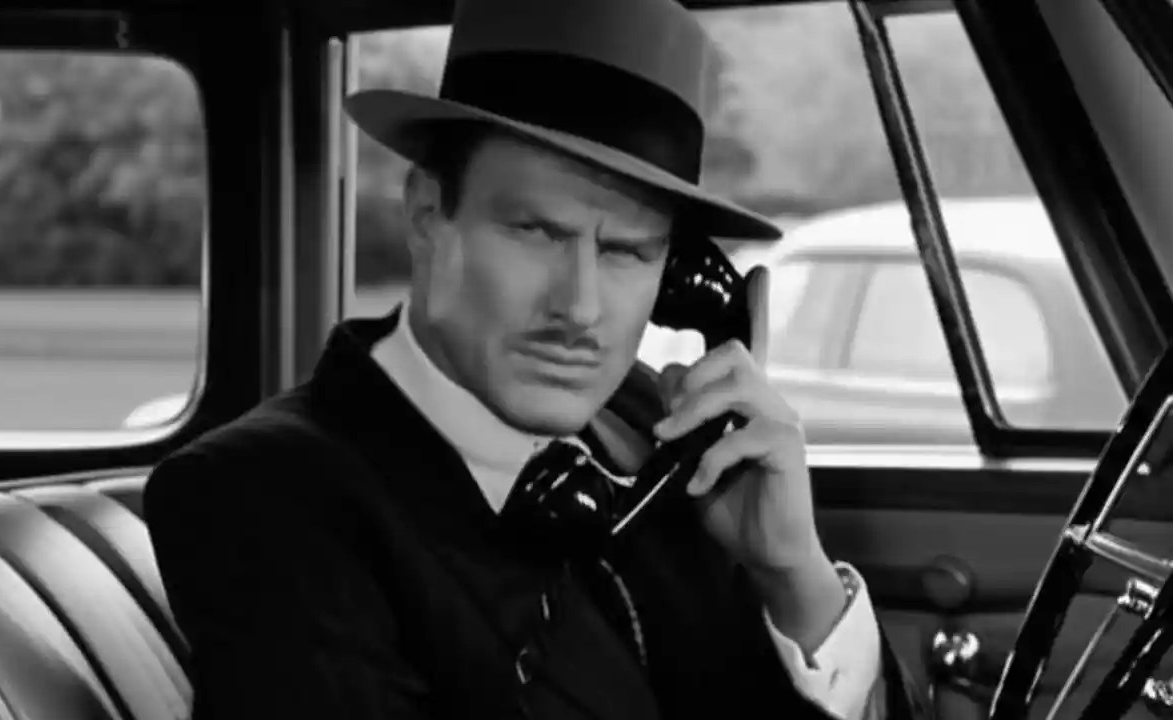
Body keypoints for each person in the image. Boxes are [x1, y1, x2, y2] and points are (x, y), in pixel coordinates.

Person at [143, 0, 931, 717]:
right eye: (536, 232)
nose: (580, 308)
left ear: (676, 280)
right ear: (427, 215)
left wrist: (794, 576)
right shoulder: (262, 496)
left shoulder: (656, 431)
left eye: (626, 251)